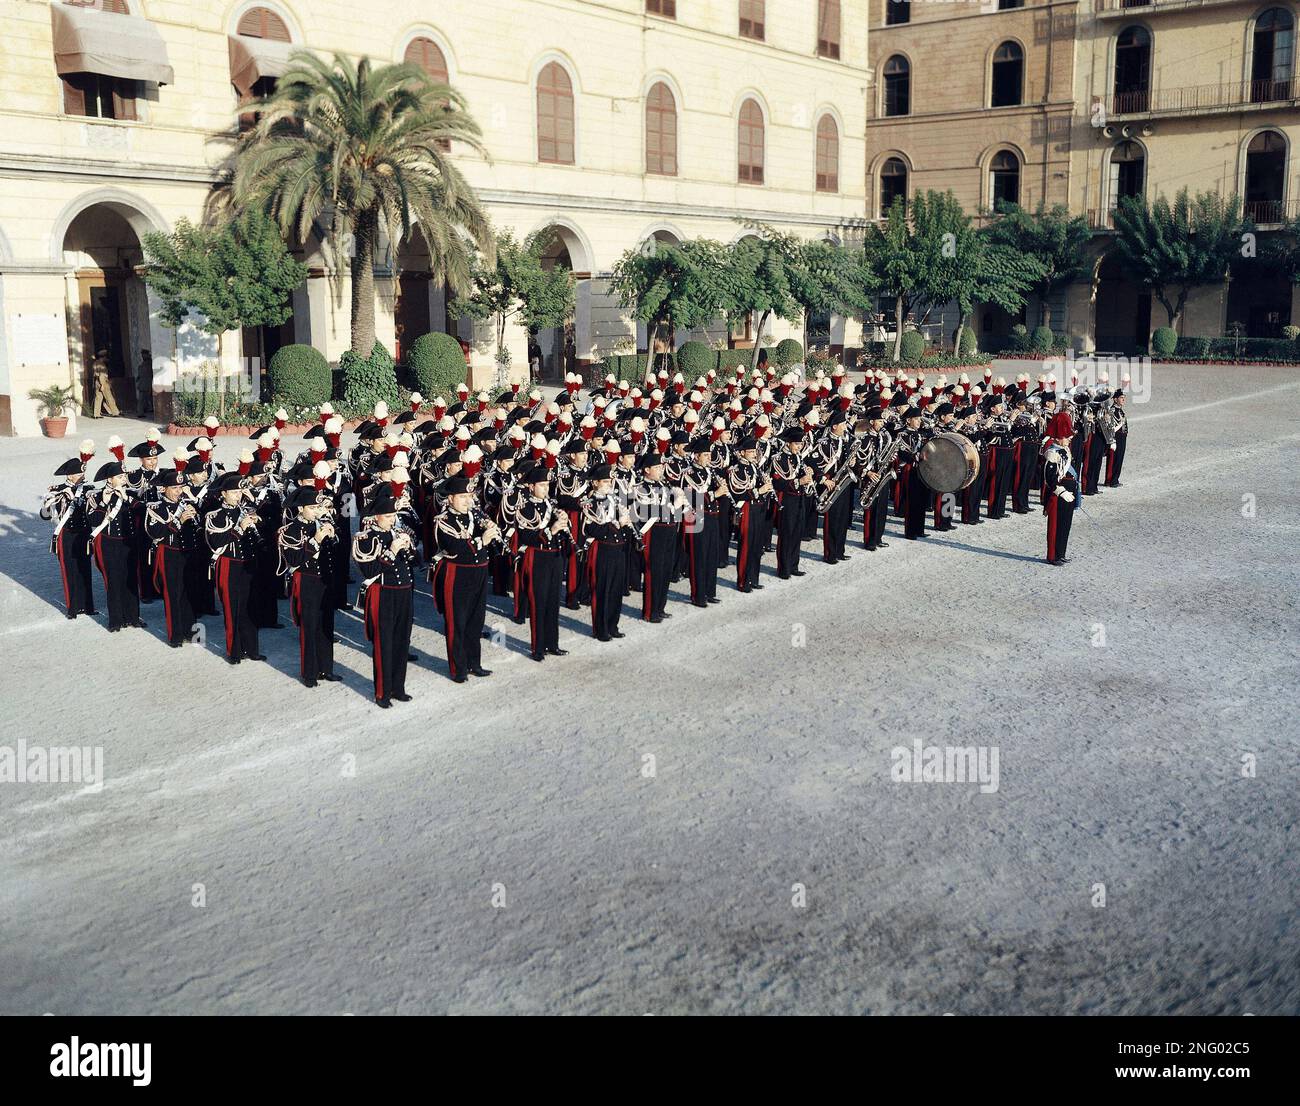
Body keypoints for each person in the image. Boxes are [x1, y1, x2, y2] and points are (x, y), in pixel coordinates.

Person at [352, 486, 419, 706]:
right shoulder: (365, 538)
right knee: (384, 643)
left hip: (404, 593)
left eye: (394, 516)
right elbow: (370, 571)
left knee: (402, 641)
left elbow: (416, 563)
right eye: (388, 516)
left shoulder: (396, 533)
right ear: (376, 516)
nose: (392, 520)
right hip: (383, 594)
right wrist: (391, 550)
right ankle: (383, 692)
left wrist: (409, 548)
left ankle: (398, 687)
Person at [430, 476, 497, 682]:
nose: (468, 501)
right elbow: (455, 548)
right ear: (450, 499)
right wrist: (482, 541)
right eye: (462, 497)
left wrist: (492, 531)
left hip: (479, 571)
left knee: (476, 621)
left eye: (469, 496)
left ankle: (474, 663)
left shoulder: (474, 515)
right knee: (457, 622)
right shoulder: (443, 521)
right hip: (458, 574)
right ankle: (458, 669)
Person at [279, 487, 341, 688]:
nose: (317, 511)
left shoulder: (321, 523)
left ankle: (327, 668)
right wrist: (316, 541)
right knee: (310, 626)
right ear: (301, 508)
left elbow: (332, 554)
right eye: (313, 507)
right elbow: (294, 559)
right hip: (307, 582)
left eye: (318, 507)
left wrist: (333, 535)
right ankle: (309, 673)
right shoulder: (290, 530)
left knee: (326, 625)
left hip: (325, 581)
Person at [205, 471, 264, 665]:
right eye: (233, 492)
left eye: (240, 491)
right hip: (229, 565)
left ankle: (252, 648)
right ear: (223, 494)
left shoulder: (245, 510)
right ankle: (234, 651)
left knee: (251, 606)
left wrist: (256, 524)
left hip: (248, 564)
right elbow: (216, 543)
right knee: (232, 608)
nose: (238, 495)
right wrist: (239, 529)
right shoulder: (215, 516)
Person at [514, 463, 572, 661]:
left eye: (547, 485)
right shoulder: (524, 508)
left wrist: (565, 523)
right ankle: (538, 648)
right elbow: (527, 536)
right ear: (531, 486)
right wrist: (552, 530)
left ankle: (552, 643)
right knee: (538, 602)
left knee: (553, 601)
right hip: (537, 557)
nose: (546, 489)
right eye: (542, 485)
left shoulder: (551, 505)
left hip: (555, 556)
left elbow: (561, 531)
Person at [144, 469, 200, 647]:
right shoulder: (156, 508)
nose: (179, 491)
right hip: (170, 554)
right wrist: (178, 521)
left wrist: (195, 517)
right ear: (163, 489)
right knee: (173, 594)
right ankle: (175, 636)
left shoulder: (186, 503)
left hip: (188, 553)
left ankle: (191, 632)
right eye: (174, 487)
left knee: (190, 593)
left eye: (181, 487)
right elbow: (155, 533)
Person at [87, 461, 144, 631]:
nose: (124, 479)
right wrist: (103, 503)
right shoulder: (97, 496)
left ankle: (133, 617)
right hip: (109, 544)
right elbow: (93, 521)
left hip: (129, 543)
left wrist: (125, 497)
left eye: (124, 476)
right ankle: (115, 621)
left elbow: (142, 511)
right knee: (114, 581)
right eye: (120, 476)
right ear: (110, 479)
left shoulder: (131, 494)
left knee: (131, 580)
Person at [580, 463, 635, 639]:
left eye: (610, 480)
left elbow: (624, 525)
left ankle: (613, 625)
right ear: (595, 483)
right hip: (602, 550)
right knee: (602, 590)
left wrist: (624, 526)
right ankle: (601, 629)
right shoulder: (589, 503)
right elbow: (592, 529)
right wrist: (615, 526)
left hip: (618, 549)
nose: (609, 484)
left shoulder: (615, 500)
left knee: (616, 590)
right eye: (605, 481)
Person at [41, 457, 96, 620]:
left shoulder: (88, 490)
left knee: (84, 568)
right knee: (69, 570)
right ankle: (73, 607)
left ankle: (88, 605)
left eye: (83, 471)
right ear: (70, 475)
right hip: (66, 535)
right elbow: (45, 516)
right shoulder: (57, 490)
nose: (82, 474)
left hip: (84, 533)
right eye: (79, 472)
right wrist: (47, 503)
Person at [633, 452, 678, 622]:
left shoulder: (664, 484)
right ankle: (650, 611)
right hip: (654, 531)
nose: (661, 470)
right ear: (646, 470)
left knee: (666, 570)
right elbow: (643, 512)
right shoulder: (641, 487)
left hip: (669, 529)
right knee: (654, 571)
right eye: (657, 467)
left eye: (661, 467)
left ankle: (660, 607)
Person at [679, 438, 723, 606]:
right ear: (696, 456)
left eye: (709, 454)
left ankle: (710, 592)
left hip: (711, 516)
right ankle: (698, 595)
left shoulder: (709, 472)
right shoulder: (688, 473)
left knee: (712, 554)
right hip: (695, 518)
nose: (708, 457)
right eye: (705, 455)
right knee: (699, 556)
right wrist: (715, 494)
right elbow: (690, 498)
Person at [728, 436, 770, 592]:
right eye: (751, 451)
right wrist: (760, 490)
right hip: (746, 508)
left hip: (758, 509)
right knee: (746, 545)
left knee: (757, 545)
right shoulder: (737, 469)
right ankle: (743, 581)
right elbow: (737, 491)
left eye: (754, 451)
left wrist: (765, 487)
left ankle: (754, 578)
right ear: (743, 452)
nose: (753, 454)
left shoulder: (755, 467)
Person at [772, 426, 812, 580]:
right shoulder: (778, 458)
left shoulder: (798, 457)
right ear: (788, 443)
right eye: (796, 444)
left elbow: (801, 476)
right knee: (786, 534)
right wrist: (798, 481)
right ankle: (784, 568)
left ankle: (794, 565)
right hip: (787, 501)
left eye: (800, 444)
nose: (799, 447)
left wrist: (807, 475)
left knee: (797, 533)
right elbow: (778, 483)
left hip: (800, 499)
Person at [1042, 406, 1078, 566]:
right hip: (1058, 494)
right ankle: (1052, 556)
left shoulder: (1065, 449)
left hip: (1069, 491)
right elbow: (1049, 477)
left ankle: (1061, 553)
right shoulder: (1052, 453)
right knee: (1056, 526)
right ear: (1059, 436)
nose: (1070, 438)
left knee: (1065, 524)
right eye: (1067, 435)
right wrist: (1061, 492)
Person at [1105, 390, 1128, 487]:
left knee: (1119, 459)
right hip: (1116, 437)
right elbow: (1111, 427)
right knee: (1114, 459)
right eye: (1121, 397)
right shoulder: (1112, 411)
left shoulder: (1120, 410)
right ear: (1115, 399)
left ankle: (1115, 479)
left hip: (1122, 437)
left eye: (1124, 397)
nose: (1123, 399)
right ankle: (1111, 480)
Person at [90, 350, 120, 418]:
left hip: (97, 382)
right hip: (102, 381)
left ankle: (96, 414)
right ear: (103, 357)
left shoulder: (95, 363)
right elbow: (102, 375)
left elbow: (95, 374)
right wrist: (102, 385)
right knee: (109, 397)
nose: (106, 359)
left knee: (98, 398)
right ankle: (115, 412)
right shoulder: (102, 365)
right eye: (105, 357)